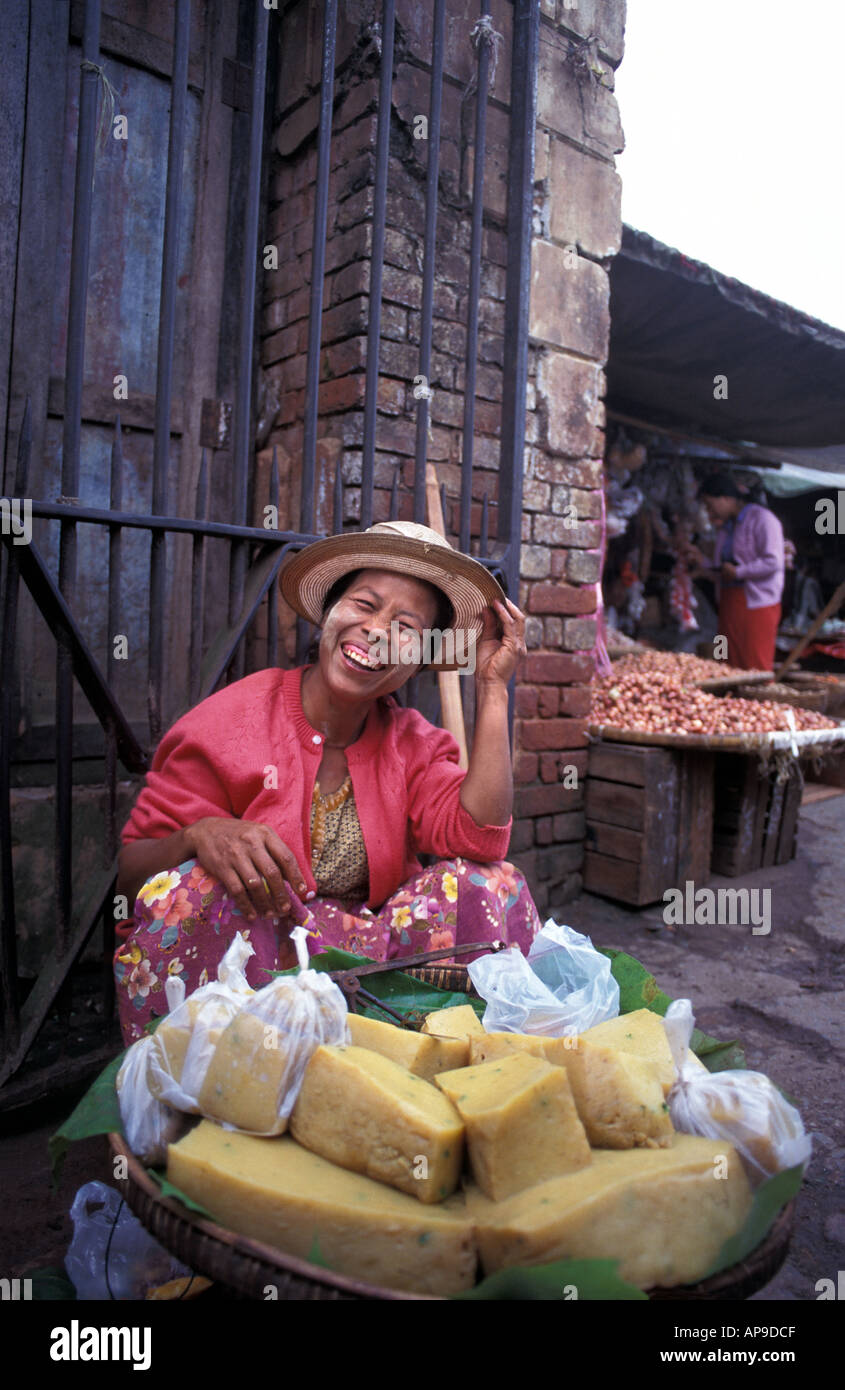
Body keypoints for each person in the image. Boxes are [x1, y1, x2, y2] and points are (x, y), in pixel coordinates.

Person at [113, 520, 541, 1044]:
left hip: (364, 972)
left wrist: (493, 690)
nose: (379, 630)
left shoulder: (412, 743)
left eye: (406, 626)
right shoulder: (233, 721)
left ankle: (452, 1054)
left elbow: (482, 838)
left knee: (489, 882)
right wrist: (197, 835)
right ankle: (213, 1075)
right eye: (364, 604)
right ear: (329, 613)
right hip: (253, 975)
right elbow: (132, 876)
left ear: (419, 660)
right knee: (194, 887)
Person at [690, 473, 785, 670]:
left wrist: (739, 572)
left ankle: (758, 700)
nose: (708, 512)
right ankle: (728, 698)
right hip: (728, 602)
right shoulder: (725, 528)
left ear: (725, 498)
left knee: (754, 663)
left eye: (709, 504)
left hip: (756, 605)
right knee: (725, 661)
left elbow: (773, 561)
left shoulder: (763, 519)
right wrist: (704, 565)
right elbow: (724, 568)